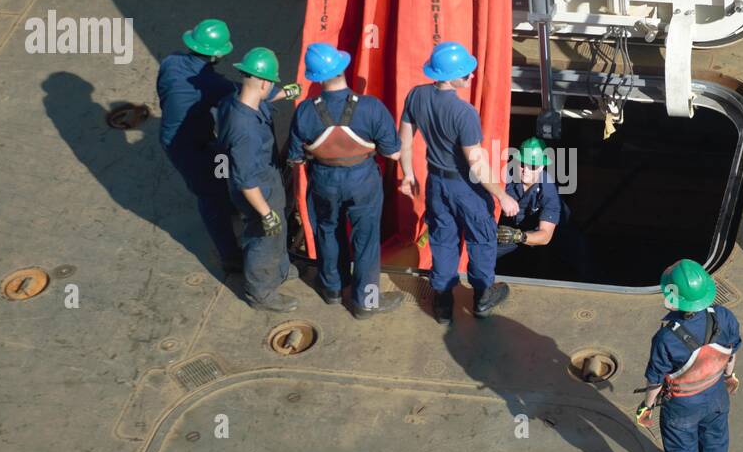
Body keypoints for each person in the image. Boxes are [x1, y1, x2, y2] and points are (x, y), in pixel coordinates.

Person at [399, 41, 519, 323]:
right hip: (465, 186)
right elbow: (475, 162)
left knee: (442, 239)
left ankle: (442, 302)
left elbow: (404, 140)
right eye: (466, 74)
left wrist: (407, 175)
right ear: (450, 77)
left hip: (436, 184)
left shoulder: (416, 96)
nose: (471, 77)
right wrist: (503, 196)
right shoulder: (464, 113)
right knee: (482, 239)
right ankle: (482, 297)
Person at [286, 42, 407, 319]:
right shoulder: (371, 108)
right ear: (343, 68)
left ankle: (332, 288)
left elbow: (296, 158)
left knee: (328, 230)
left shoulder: (304, 111)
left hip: (323, 180)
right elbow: (393, 153)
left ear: (314, 77)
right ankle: (367, 302)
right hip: (363, 181)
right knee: (366, 240)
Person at [636, 259, 740, 452]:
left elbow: (655, 381)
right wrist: (730, 378)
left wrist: (646, 407)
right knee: (716, 450)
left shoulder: (666, 338)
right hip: (717, 396)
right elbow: (731, 353)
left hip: (682, 409)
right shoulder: (725, 317)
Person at [216, 47, 300, 312]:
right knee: (264, 237)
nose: (272, 86)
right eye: (272, 82)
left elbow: (263, 99)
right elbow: (245, 180)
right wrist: (265, 213)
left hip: (266, 178)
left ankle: (279, 269)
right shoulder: (246, 132)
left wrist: (286, 93)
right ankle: (259, 293)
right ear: (264, 81)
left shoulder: (235, 100)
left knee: (279, 230)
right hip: (257, 188)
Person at [156, 18, 242, 272]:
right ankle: (231, 257)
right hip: (190, 148)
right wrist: (286, 92)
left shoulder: (171, 62)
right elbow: (246, 93)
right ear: (216, 55)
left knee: (220, 169)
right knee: (210, 198)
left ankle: (228, 203)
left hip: (179, 139)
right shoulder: (209, 83)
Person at [496, 137, 562, 258]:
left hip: (529, 234)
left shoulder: (549, 191)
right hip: (503, 228)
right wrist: (502, 196)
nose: (526, 170)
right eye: (522, 164)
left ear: (542, 167)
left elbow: (546, 235)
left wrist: (518, 236)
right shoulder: (503, 175)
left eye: (532, 166)